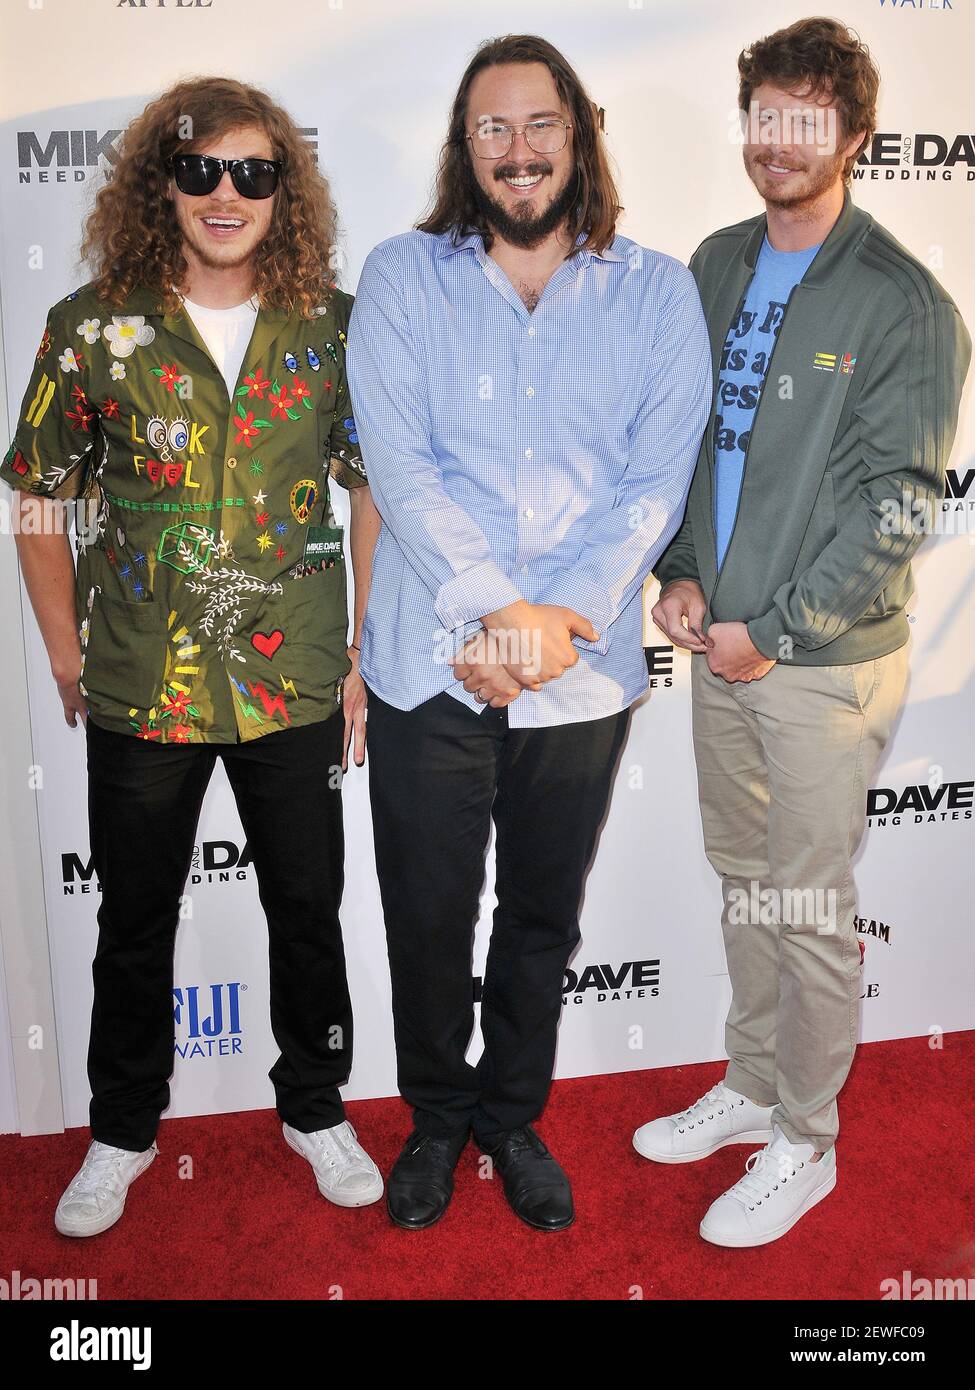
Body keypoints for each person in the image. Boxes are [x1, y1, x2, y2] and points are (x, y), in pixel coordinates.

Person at [1, 76, 385, 1236]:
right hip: (138, 680)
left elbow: (368, 487)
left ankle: (316, 1106)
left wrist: (362, 645)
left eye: (254, 173)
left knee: (308, 908)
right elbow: (36, 495)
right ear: (160, 184)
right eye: (202, 170)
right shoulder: (91, 328)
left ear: (285, 189)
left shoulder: (336, 324)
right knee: (134, 918)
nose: (227, 194)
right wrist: (64, 647)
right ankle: (122, 1130)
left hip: (295, 677)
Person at [347, 34, 711, 1232]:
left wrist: (548, 632)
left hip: (582, 675)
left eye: (539, 124)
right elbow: (400, 465)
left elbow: (651, 486)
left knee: (541, 917)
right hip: (427, 660)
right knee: (428, 912)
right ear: (464, 147)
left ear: (580, 131)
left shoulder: (657, 292)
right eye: (492, 129)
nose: (518, 151)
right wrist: (497, 619)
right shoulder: (403, 275)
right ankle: (438, 1122)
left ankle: (511, 1117)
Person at [639, 17, 971, 1247]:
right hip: (721, 647)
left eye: (805, 120)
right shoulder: (716, 262)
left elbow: (899, 506)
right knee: (745, 886)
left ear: (856, 136)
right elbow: (689, 447)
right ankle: (754, 1081)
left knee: (809, 907)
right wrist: (678, 574)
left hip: (817, 665)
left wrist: (772, 630)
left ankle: (807, 1141)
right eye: (762, 116)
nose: (777, 142)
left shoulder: (903, 302)